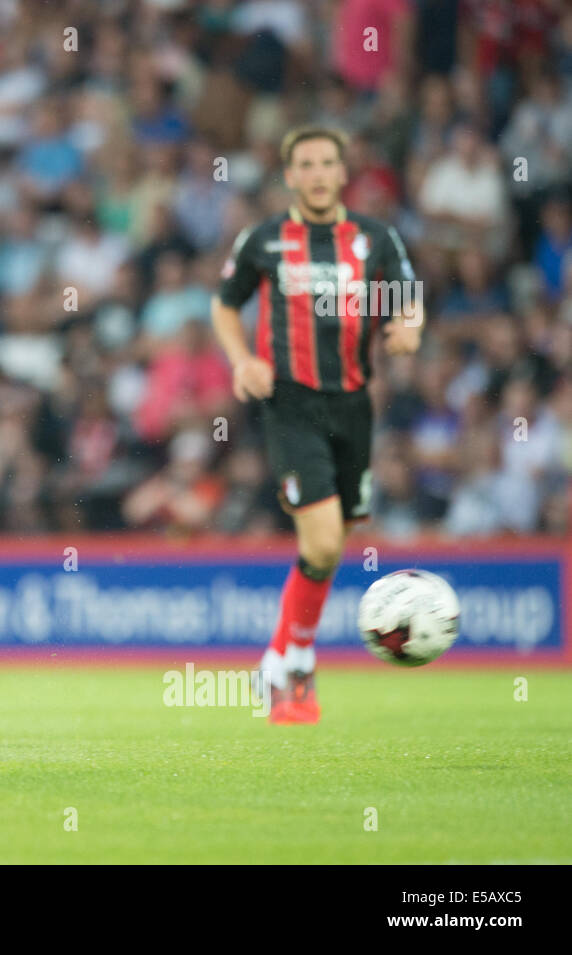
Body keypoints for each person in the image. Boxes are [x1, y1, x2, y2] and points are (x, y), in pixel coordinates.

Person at [211, 125, 423, 724]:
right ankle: (297, 664)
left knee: (328, 548)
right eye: (306, 164)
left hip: (354, 406)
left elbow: (409, 296)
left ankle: (275, 659)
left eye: (329, 161)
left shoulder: (375, 238)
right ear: (290, 176)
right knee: (324, 538)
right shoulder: (266, 240)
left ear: (343, 171)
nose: (319, 173)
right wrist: (242, 361)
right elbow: (225, 303)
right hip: (291, 403)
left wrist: (409, 327)